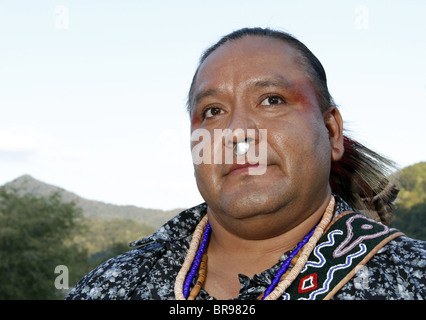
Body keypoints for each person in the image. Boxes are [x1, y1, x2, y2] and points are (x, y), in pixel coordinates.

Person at [66, 27, 426, 300]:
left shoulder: (412, 279)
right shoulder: (112, 285)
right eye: (213, 111)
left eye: (272, 100)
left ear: (331, 131)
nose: (236, 133)